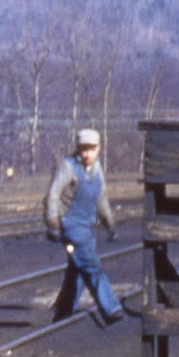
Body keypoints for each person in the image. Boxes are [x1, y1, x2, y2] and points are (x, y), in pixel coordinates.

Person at [45, 128, 123, 324]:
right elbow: (53, 194)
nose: (87, 154)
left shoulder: (97, 170)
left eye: (91, 149)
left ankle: (63, 311)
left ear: (99, 149)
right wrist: (53, 221)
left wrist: (109, 222)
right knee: (91, 265)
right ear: (78, 149)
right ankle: (111, 308)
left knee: (77, 268)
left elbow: (101, 198)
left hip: (88, 227)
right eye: (83, 149)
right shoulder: (69, 166)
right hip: (70, 225)